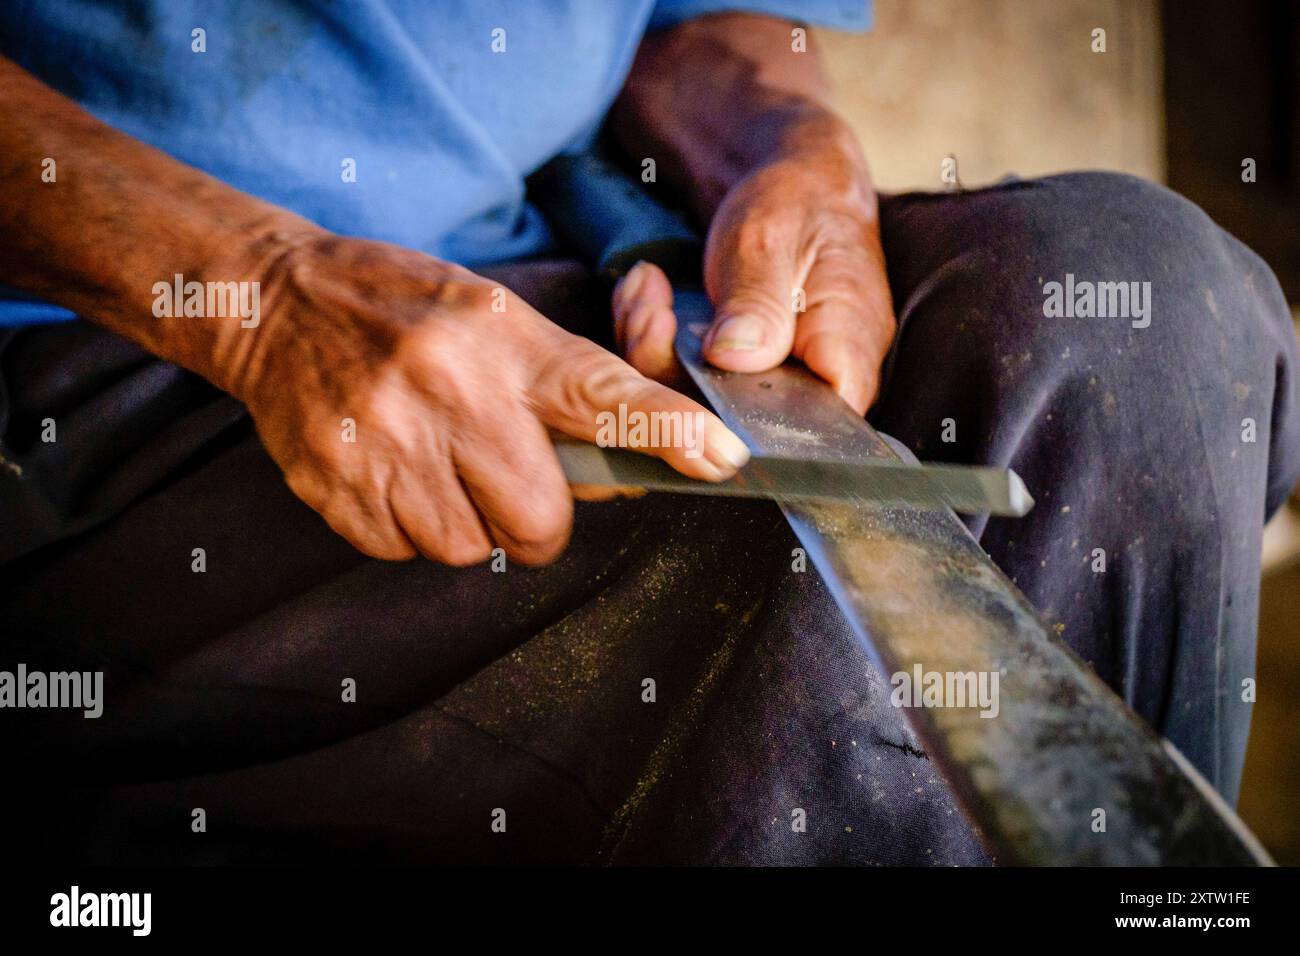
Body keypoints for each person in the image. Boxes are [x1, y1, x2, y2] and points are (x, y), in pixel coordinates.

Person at [0, 1, 1296, 865]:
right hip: (106, 354)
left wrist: (785, 155)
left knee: (1152, 311)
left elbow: (698, 22)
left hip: (543, 278)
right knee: (767, 574)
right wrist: (262, 297)